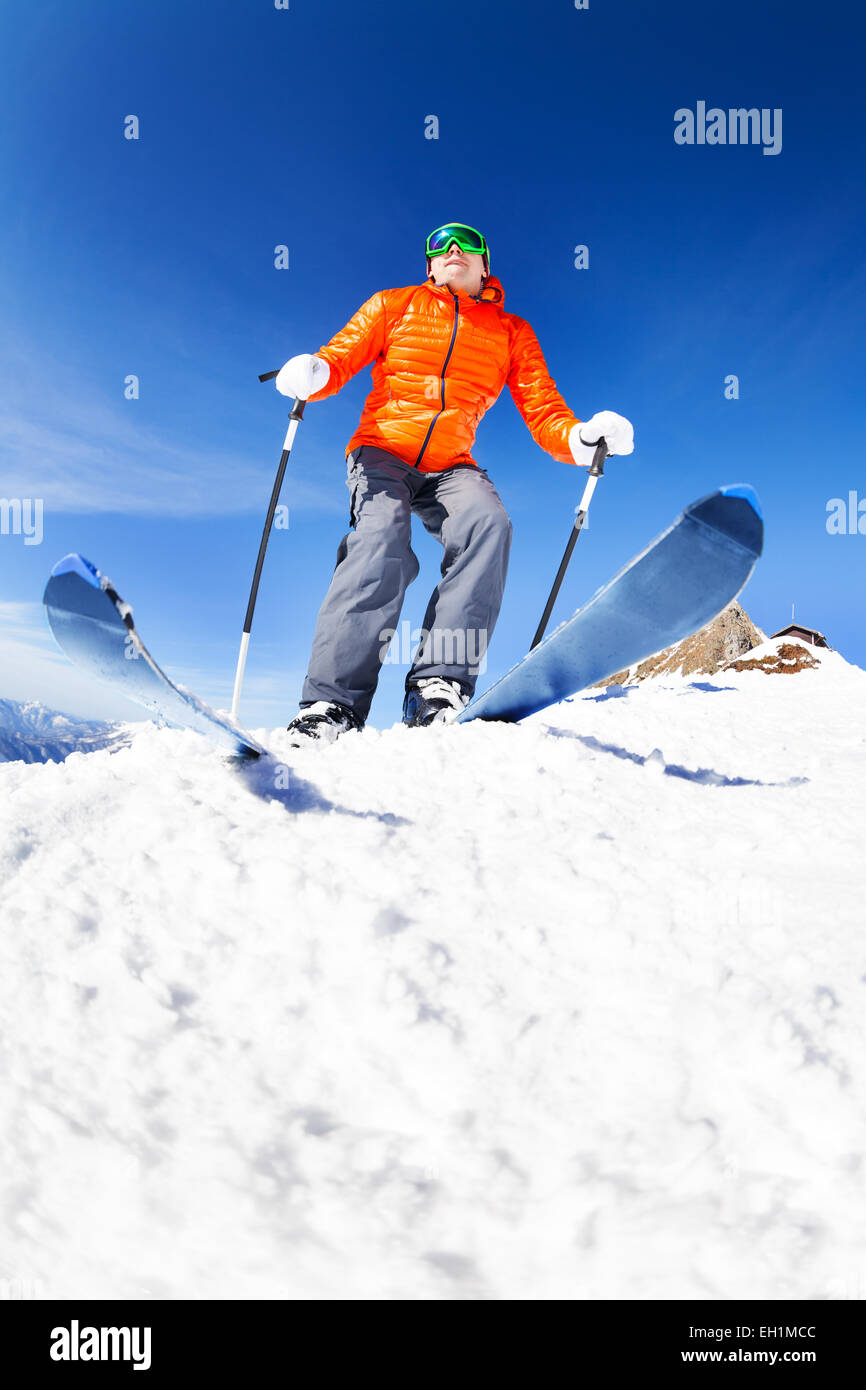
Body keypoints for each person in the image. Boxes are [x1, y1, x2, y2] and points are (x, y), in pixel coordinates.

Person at [275, 222, 634, 744]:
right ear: (428, 266)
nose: (452, 251)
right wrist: (315, 372)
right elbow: (342, 354)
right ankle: (332, 706)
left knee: (489, 523)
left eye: (466, 243)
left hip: (451, 463)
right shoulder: (393, 305)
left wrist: (581, 438)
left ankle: (437, 686)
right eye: (439, 246)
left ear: (486, 266)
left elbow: (543, 409)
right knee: (381, 542)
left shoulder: (511, 333)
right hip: (383, 453)